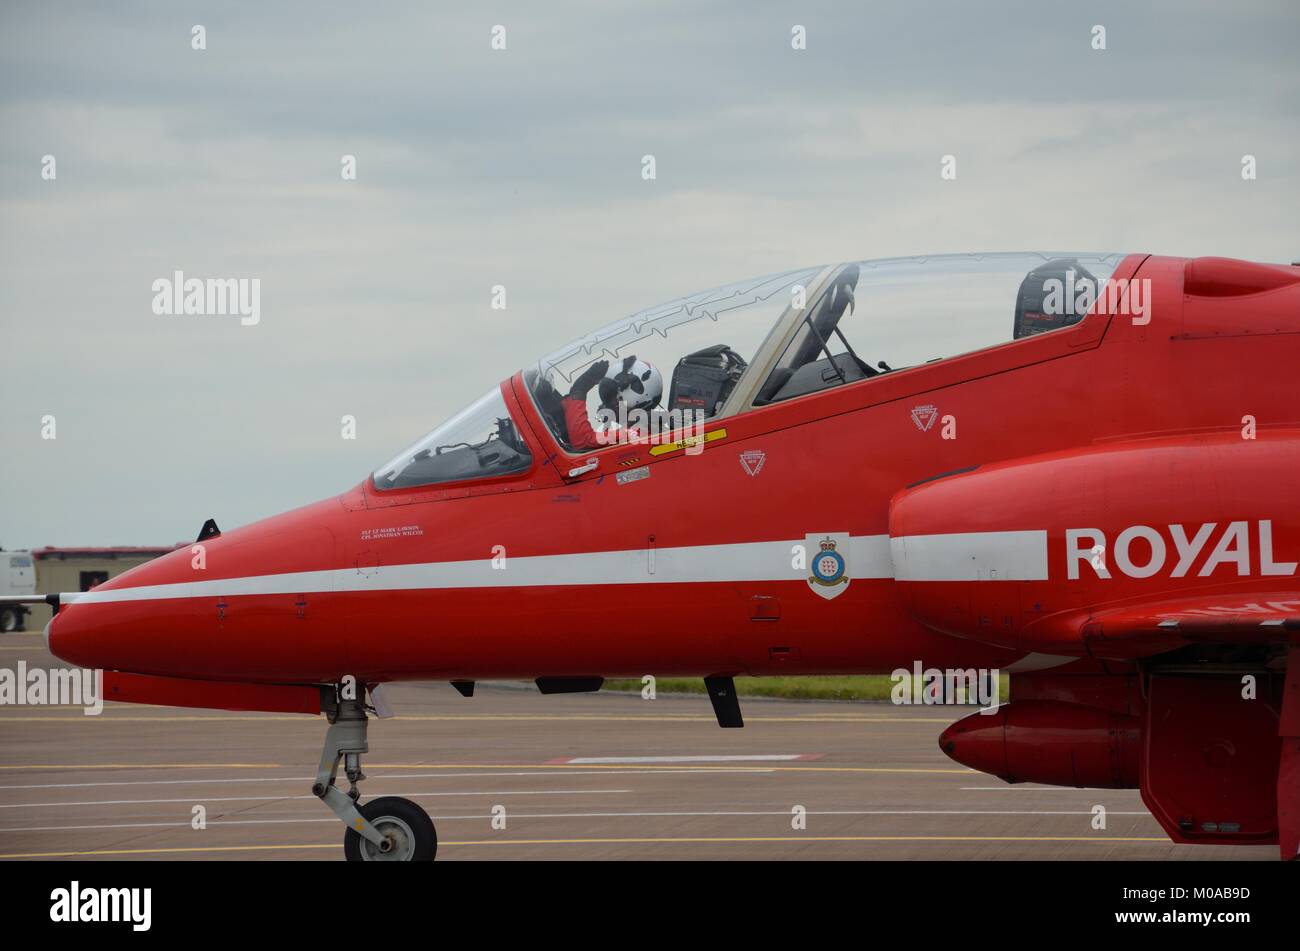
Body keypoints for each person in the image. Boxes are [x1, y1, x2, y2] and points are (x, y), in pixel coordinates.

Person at [561, 356, 663, 451]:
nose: (606, 404)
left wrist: (579, 391)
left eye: (609, 396)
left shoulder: (640, 432)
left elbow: (583, 441)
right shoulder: (644, 428)